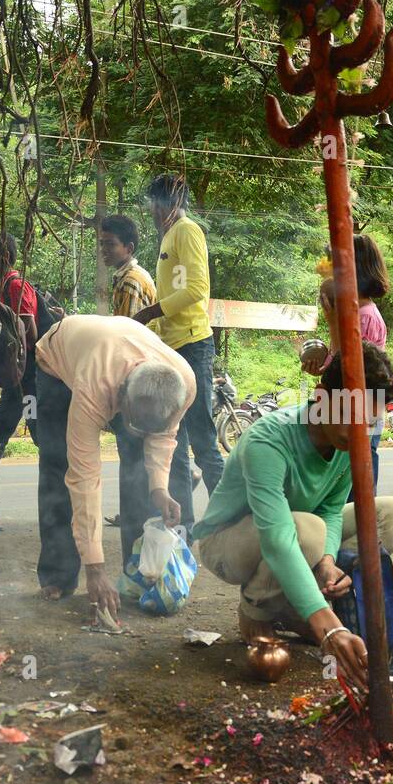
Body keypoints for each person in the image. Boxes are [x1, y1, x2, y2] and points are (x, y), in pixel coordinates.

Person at [194, 345, 393, 693]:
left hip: (301, 531)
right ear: (322, 397)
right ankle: (256, 613)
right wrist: (330, 626)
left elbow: (329, 508)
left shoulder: (346, 441)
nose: (361, 431)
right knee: (305, 531)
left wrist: (326, 561)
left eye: (369, 421)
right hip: (227, 545)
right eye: (352, 415)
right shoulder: (268, 440)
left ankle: (295, 606)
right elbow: (279, 539)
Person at [33, 315, 195, 621]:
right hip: (58, 364)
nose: (134, 430)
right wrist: (95, 567)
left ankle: (135, 575)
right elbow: (85, 476)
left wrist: (159, 489)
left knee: (137, 467)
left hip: (118, 351)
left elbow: (164, 437)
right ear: (122, 396)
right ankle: (58, 575)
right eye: (132, 421)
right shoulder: (94, 385)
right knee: (59, 465)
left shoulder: (184, 383)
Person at [131, 174, 226, 530]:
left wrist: (152, 312)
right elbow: (176, 292)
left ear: (168, 203)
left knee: (203, 440)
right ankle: (182, 526)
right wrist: (150, 329)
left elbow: (197, 288)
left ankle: (228, 522)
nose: (152, 211)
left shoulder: (187, 231)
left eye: (155, 204)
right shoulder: (169, 236)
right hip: (171, 348)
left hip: (193, 344)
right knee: (176, 444)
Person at [311, 235, 390, 487]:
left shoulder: (365, 317)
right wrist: (321, 367)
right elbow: (337, 366)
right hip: (349, 407)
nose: (332, 273)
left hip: (360, 409)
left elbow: (351, 368)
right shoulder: (354, 313)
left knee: (357, 488)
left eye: (337, 266)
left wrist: (333, 324)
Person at [0, 231, 39, 476]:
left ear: (3, 256)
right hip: (17, 380)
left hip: (29, 381)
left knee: (38, 430)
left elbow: (30, 332)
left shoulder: (15, 286)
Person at [98, 214, 157, 320]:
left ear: (129, 248)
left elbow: (126, 332)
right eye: (101, 243)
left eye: (110, 244)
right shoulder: (128, 275)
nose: (103, 249)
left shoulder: (130, 281)